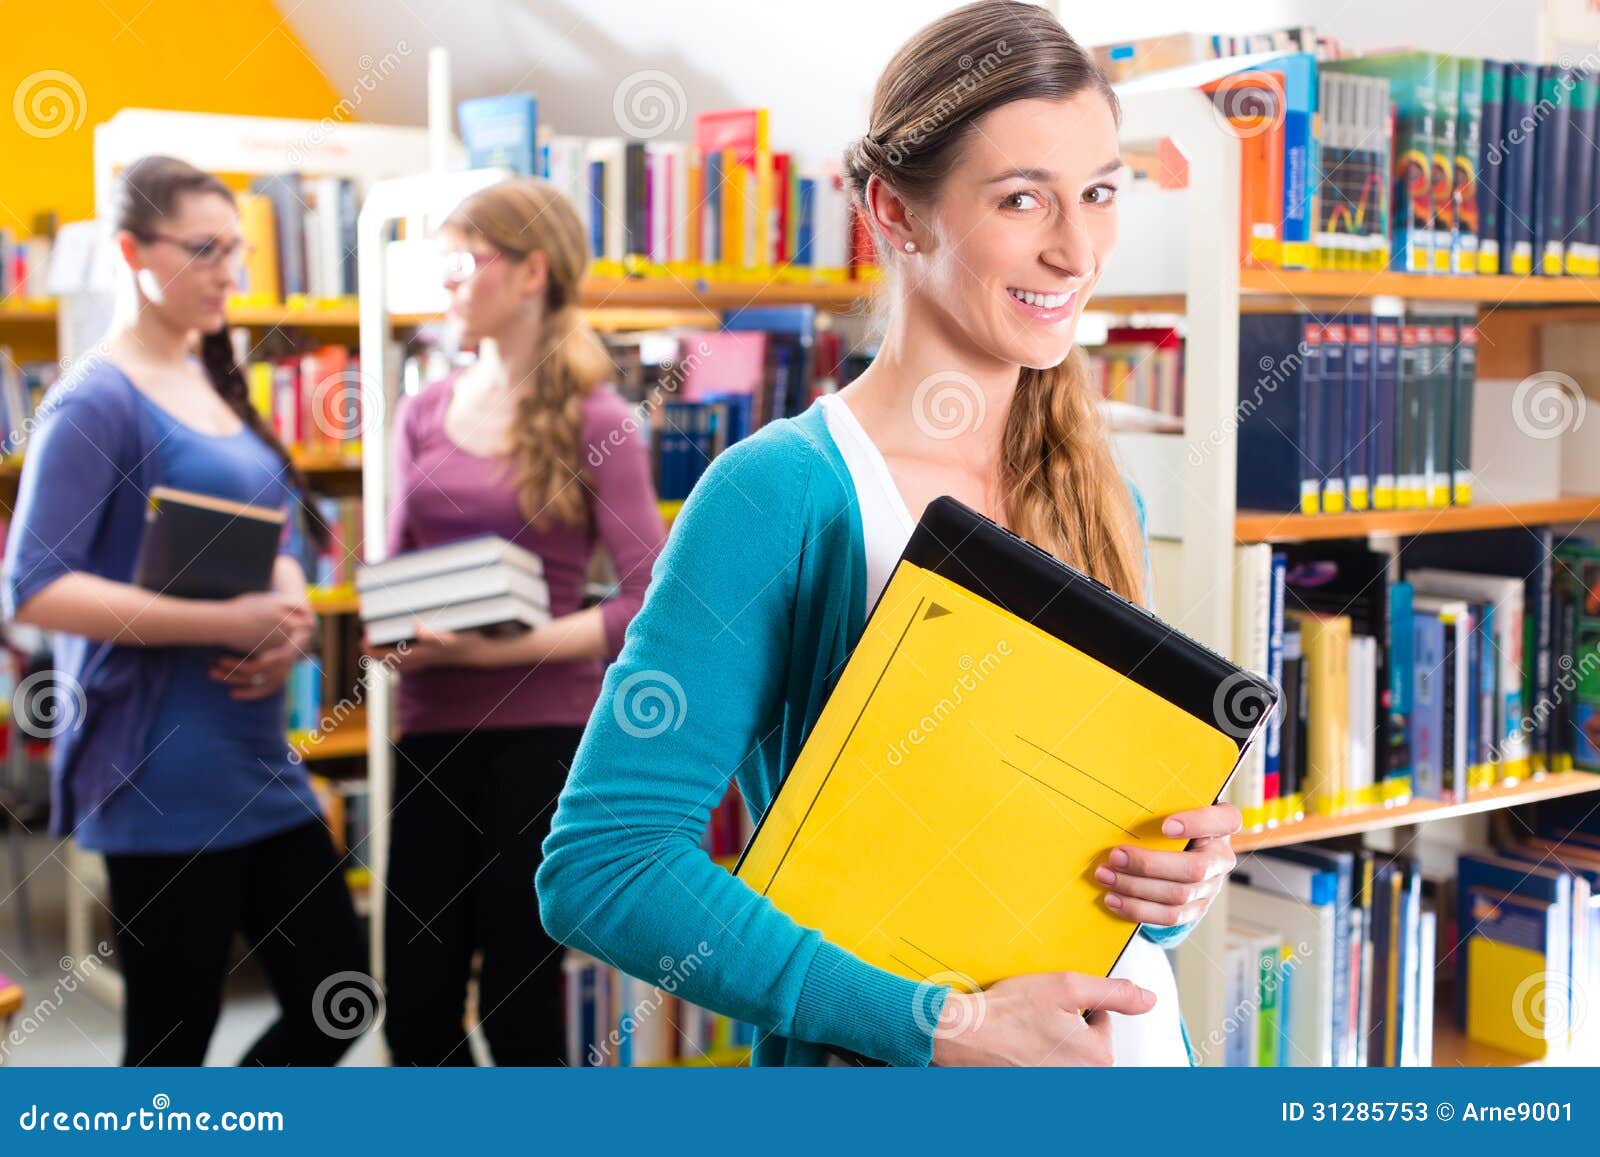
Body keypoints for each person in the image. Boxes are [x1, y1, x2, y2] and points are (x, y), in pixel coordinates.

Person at [537, 0, 1243, 1067]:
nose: (1074, 249)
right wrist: (945, 1025)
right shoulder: (779, 494)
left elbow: (1086, 873)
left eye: (1098, 193)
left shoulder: (1106, 493)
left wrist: (1171, 880)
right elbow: (604, 865)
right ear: (896, 212)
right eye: (1022, 199)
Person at [1, 155, 367, 1066]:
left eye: (235, 250)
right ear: (132, 251)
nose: (229, 272)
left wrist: (284, 612)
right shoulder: (93, 399)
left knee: (339, 998)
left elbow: (271, 533)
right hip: (155, 770)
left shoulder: (214, 377)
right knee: (172, 1036)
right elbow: (35, 584)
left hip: (254, 757)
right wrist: (222, 624)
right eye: (204, 249)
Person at [371, 178, 665, 1065]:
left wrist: (515, 648)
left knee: (518, 1001)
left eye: (462, 261)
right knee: (413, 1007)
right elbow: (392, 568)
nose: (447, 283)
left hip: (541, 739)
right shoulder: (421, 411)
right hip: (429, 734)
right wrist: (393, 629)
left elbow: (646, 598)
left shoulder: (599, 420)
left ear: (531, 270)